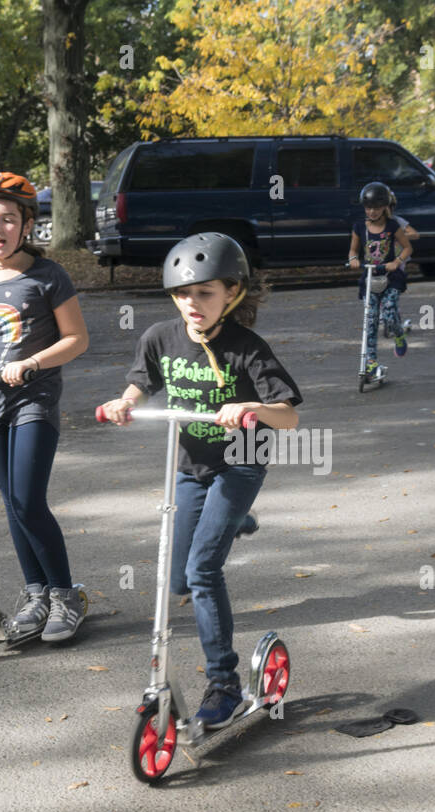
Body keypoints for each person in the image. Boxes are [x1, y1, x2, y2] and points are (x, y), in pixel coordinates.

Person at [99, 233, 302, 729]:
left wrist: (251, 407)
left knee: (203, 573)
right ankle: (234, 520)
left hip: (240, 460)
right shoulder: (160, 337)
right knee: (177, 578)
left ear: (232, 292)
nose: (193, 304)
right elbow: (141, 381)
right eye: (183, 294)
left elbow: (289, 417)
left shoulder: (247, 347)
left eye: (205, 293)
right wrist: (125, 402)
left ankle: (224, 684)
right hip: (190, 464)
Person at [0, 172, 90, 643]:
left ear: (26, 225)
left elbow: (76, 339)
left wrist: (31, 362)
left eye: (8, 219)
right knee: (12, 505)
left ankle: (65, 596)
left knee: (29, 499)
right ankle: (36, 595)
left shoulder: (47, 276)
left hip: (33, 397)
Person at [348, 181, 412, 376]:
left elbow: (408, 247)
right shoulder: (360, 227)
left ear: (385, 207)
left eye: (376, 208)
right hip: (369, 278)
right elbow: (353, 249)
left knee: (391, 313)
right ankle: (371, 362)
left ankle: (399, 335)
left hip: (390, 277)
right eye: (368, 208)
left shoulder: (392, 226)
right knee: (371, 321)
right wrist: (352, 259)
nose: (372, 212)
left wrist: (397, 261)